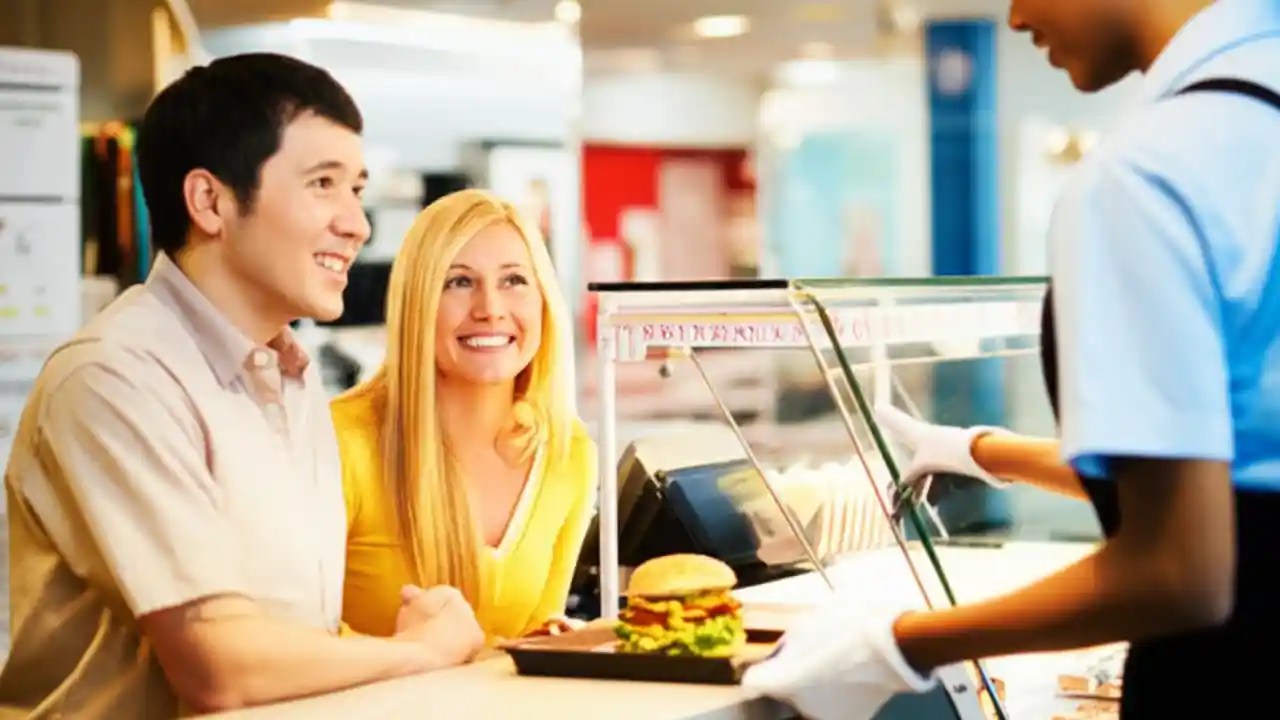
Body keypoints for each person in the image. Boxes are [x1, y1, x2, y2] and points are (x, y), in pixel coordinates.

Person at [743, 1, 1280, 718]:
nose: (1018, 18)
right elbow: (1231, 465)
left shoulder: (1145, 176)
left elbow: (1179, 573)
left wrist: (898, 646)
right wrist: (978, 450)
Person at [0, 53, 484, 719]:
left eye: (358, 191)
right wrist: (420, 650)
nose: (357, 224)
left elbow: (291, 636)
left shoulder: (290, 377)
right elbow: (218, 667)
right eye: (323, 184)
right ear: (211, 201)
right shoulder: (115, 376)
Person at [331, 189, 597, 644]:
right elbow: (293, 641)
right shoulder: (341, 442)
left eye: (513, 280)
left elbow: (535, 645)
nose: (490, 308)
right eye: (458, 282)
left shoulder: (567, 453)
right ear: (417, 304)